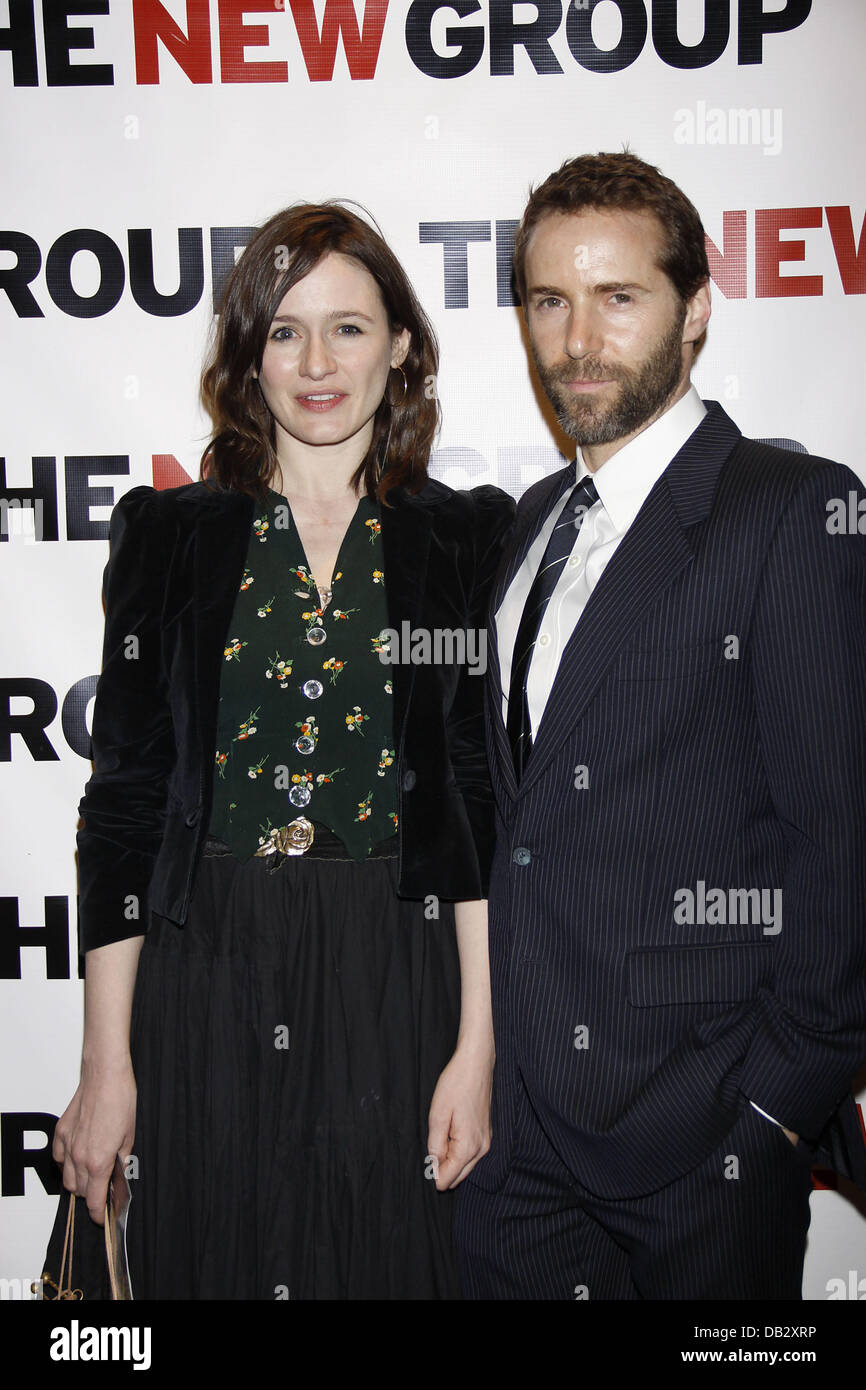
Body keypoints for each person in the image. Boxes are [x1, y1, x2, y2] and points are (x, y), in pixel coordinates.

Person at [51, 202, 515, 1300]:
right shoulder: (169, 537)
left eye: (349, 328)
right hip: (206, 962)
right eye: (285, 330)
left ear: (401, 345)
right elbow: (122, 807)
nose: (318, 363)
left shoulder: (461, 537)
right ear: (247, 352)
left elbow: (475, 807)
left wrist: (477, 1044)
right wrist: (105, 1065)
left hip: (394, 970)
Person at [453, 152, 866, 1300]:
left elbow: (835, 837)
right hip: (520, 1138)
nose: (576, 338)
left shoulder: (789, 512)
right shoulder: (533, 518)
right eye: (548, 301)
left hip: (700, 1140)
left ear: (693, 314)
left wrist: (772, 1110)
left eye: (617, 297)